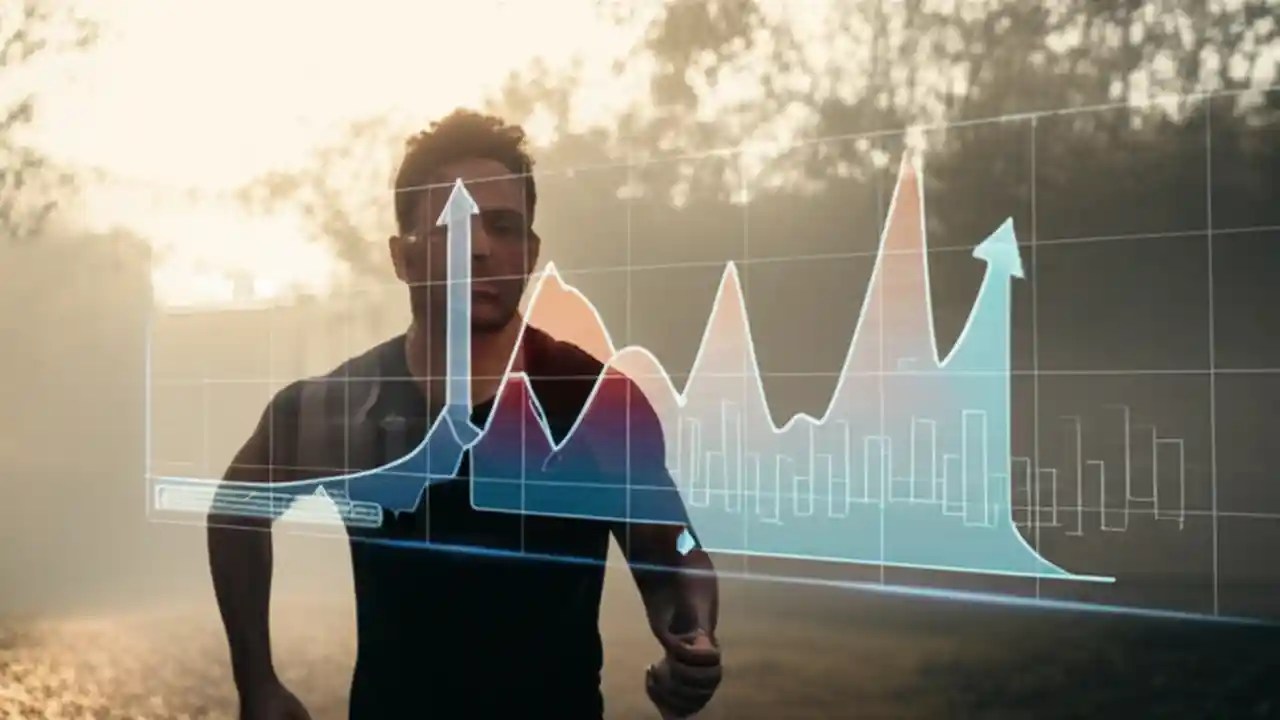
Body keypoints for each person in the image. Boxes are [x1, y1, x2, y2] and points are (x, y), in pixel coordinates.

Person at [207, 109, 722, 719]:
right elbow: (236, 509)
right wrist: (257, 681)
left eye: (503, 227)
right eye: (455, 228)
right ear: (403, 257)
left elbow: (673, 547)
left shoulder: (594, 403)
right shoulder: (341, 406)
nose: (480, 248)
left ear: (530, 253)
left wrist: (692, 634)